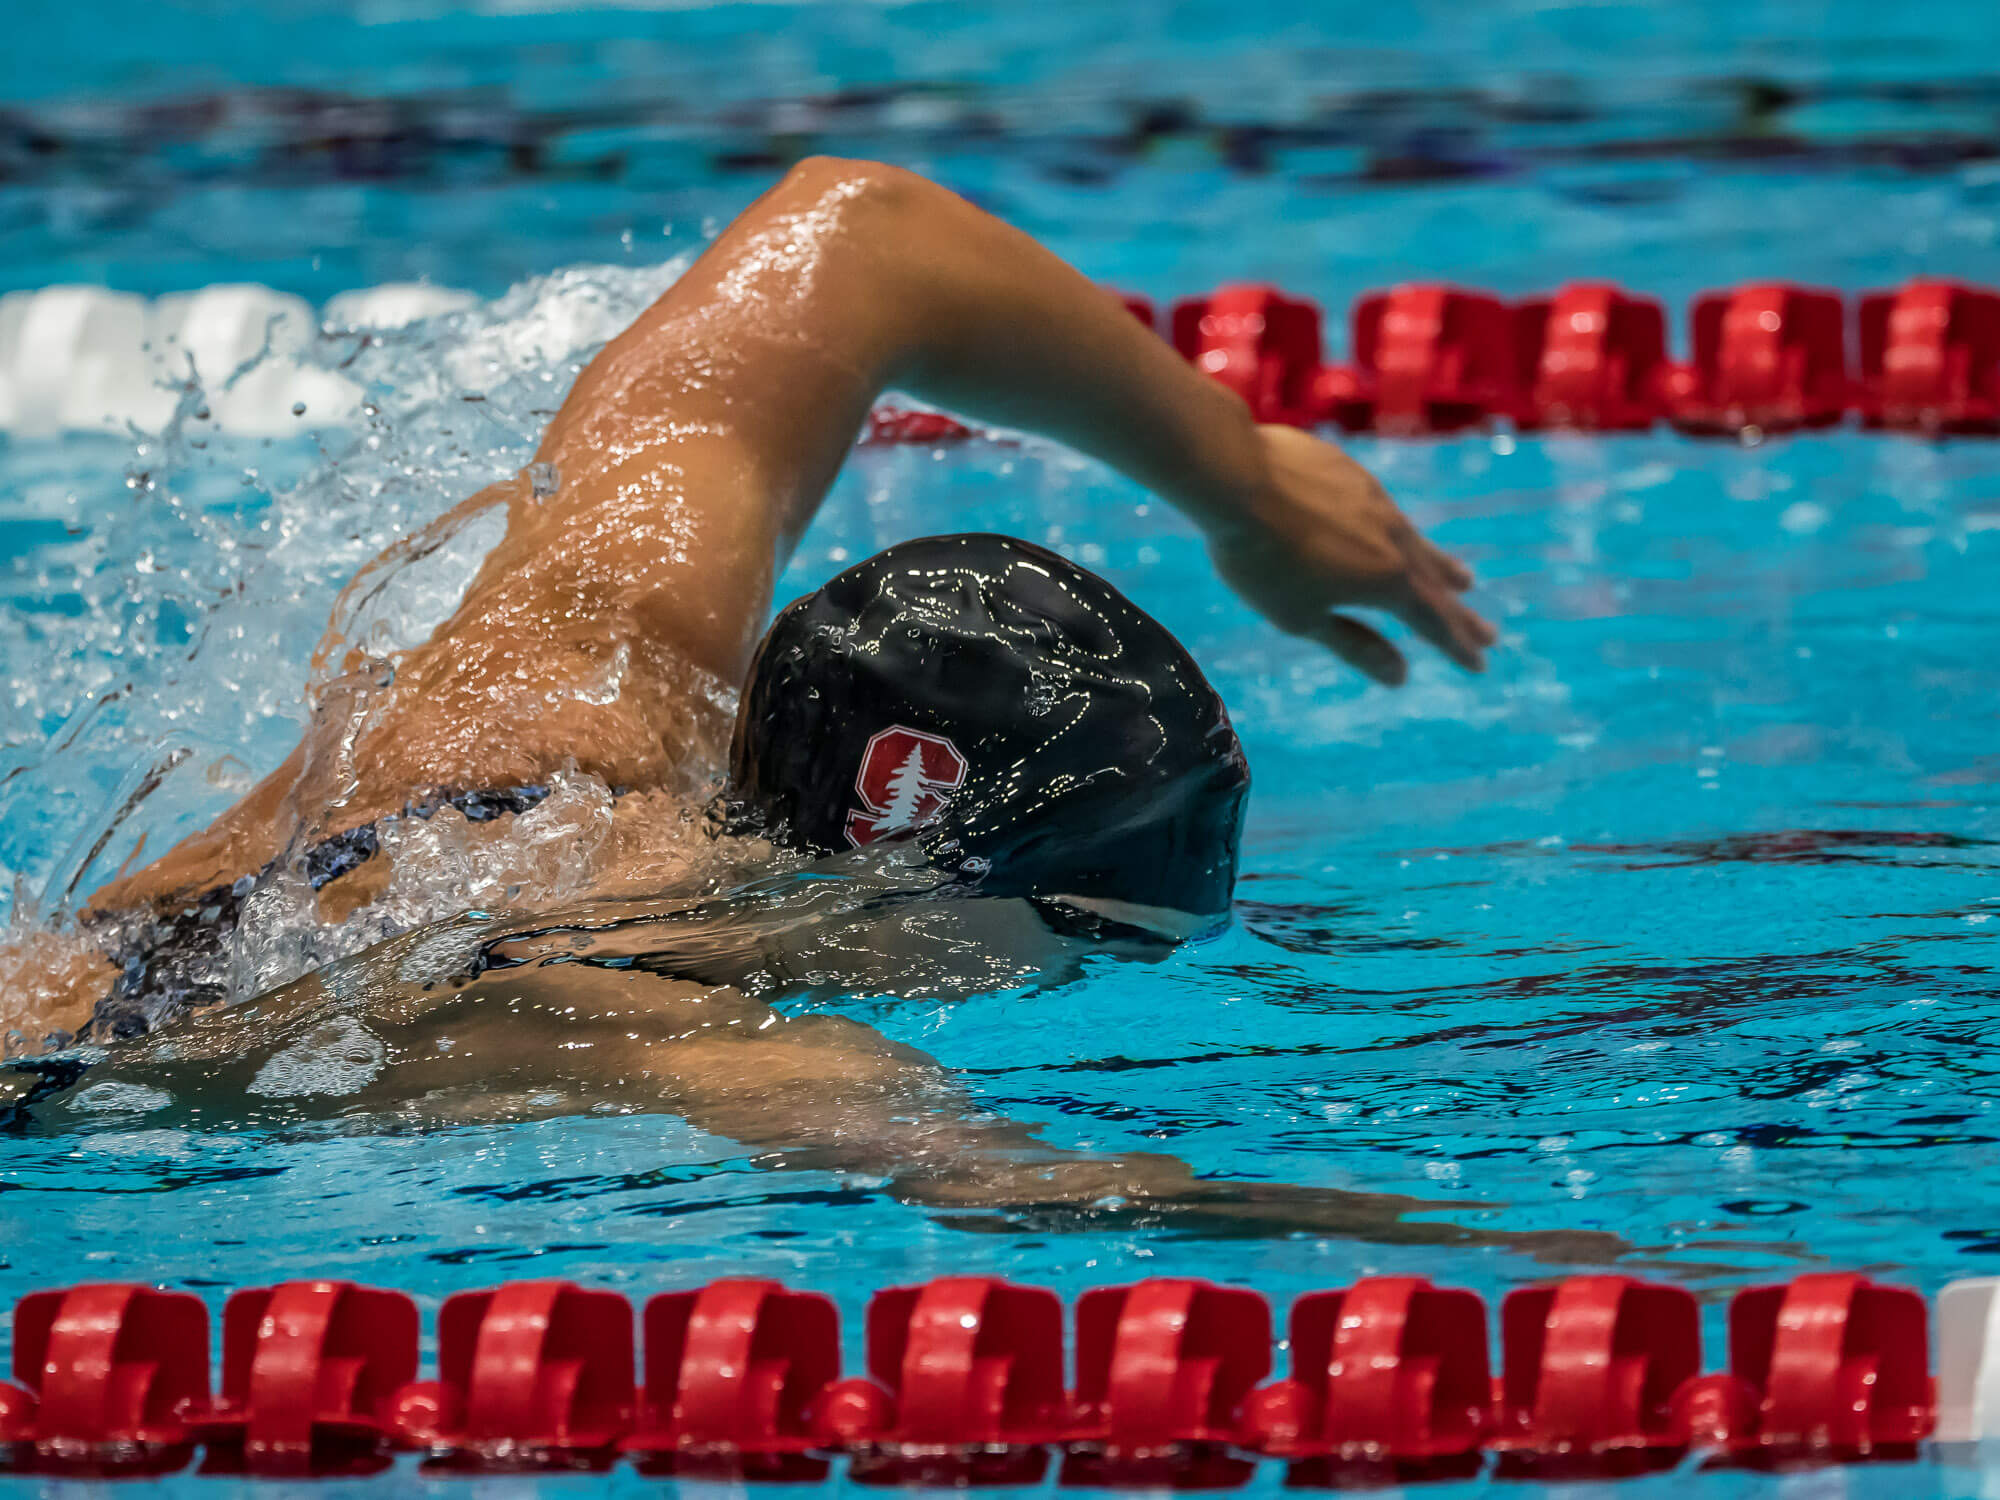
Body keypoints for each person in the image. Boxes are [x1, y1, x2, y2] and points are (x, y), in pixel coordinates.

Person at [0, 159, 1582, 1256]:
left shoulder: (575, 669)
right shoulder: (678, 1027)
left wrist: (1242, 481)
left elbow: (861, 227)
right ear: (902, 857)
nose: (1053, 993)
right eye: (1085, 943)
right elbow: (1038, 1190)